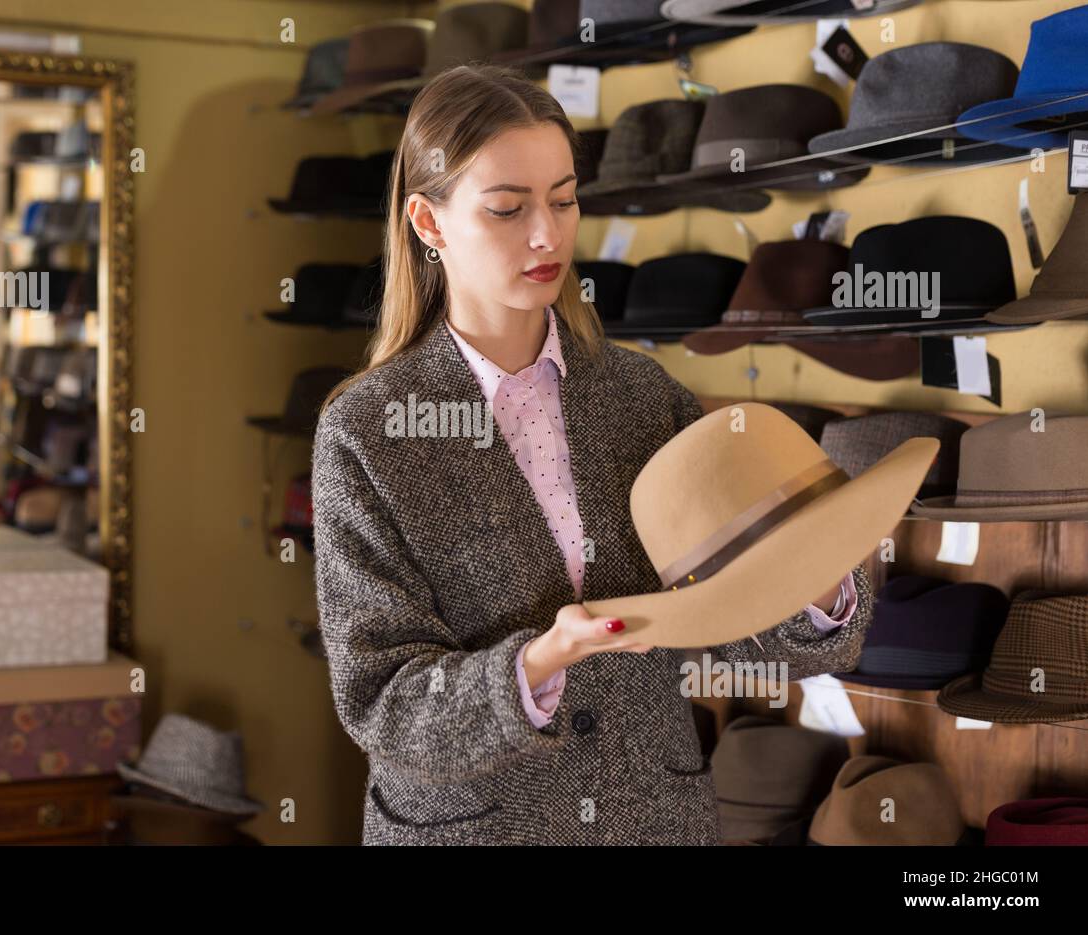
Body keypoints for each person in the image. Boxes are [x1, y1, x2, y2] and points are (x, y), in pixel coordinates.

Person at [311, 64, 871, 845]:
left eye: (565, 198)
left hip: (652, 818)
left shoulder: (643, 396)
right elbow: (384, 703)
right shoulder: (367, 433)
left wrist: (814, 574)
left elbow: (736, 618)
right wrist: (534, 665)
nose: (548, 234)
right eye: (508, 208)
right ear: (428, 223)